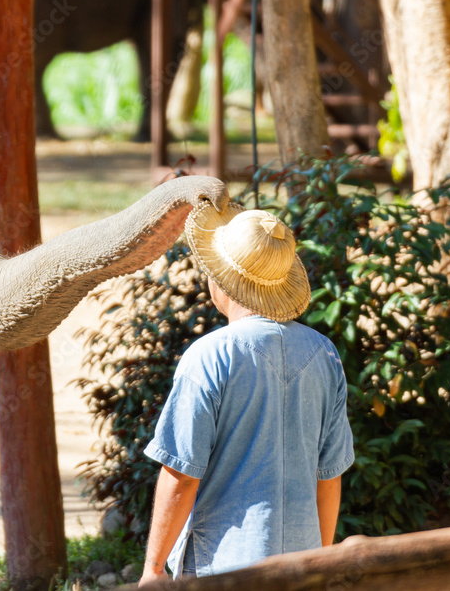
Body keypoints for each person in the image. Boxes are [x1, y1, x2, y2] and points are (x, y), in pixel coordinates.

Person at [138, 204, 354, 585]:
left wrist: (153, 569)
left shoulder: (209, 356)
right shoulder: (324, 354)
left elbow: (181, 475)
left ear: (219, 280)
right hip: (303, 564)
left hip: (221, 565)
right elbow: (329, 477)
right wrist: (320, 563)